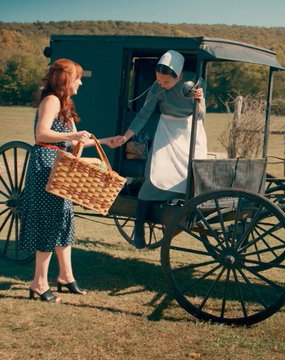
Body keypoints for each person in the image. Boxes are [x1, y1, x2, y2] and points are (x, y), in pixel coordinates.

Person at [20, 58, 117, 303]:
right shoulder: (51, 100)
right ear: (66, 80)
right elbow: (42, 133)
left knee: (64, 221)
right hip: (47, 165)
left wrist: (104, 142)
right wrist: (73, 133)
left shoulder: (65, 104)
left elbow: (75, 142)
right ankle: (39, 283)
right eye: (78, 78)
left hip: (61, 166)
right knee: (49, 222)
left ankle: (65, 276)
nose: (81, 83)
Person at [112, 50, 207, 249]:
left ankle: (183, 211)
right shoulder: (157, 87)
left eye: (166, 82)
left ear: (179, 76)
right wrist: (125, 137)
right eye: (160, 81)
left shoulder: (195, 83)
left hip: (190, 130)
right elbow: (144, 114)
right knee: (155, 175)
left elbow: (200, 115)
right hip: (167, 130)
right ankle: (139, 228)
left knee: (191, 175)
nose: (162, 85)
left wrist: (199, 101)